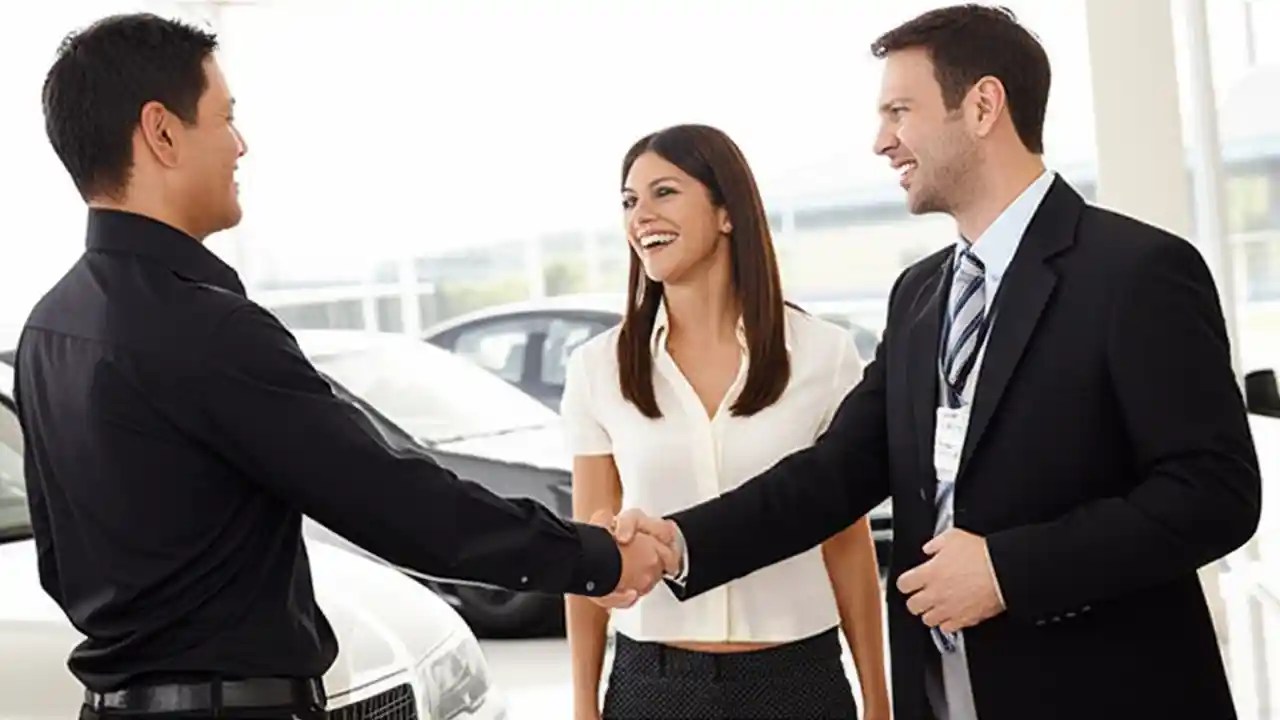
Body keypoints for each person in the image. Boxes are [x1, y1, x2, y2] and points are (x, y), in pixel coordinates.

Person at [599, 6, 1262, 720]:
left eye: (899, 111)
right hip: (942, 696)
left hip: (1099, 691)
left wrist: (1009, 570)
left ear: (982, 105)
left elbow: (1214, 492)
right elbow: (839, 470)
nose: (882, 141)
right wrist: (680, 541)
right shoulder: (920, 295)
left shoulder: (1138, 272)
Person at [16, 14, 674, 720]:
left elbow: (57, 563)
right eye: (224, 118)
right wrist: (597, 557)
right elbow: (393, 499)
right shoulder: (206, 330)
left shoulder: (46, 330)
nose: (240, 145)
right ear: (162, 131)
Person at [561, 124, 890, 720]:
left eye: (664, 192)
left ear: (727, 213)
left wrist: (877, 698)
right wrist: (583, 705)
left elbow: (847, 541)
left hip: (798, 682)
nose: (641, 216)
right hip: (651, 685)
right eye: (630, 201)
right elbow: (588, 551)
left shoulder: (823, 355)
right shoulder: (595, 369)